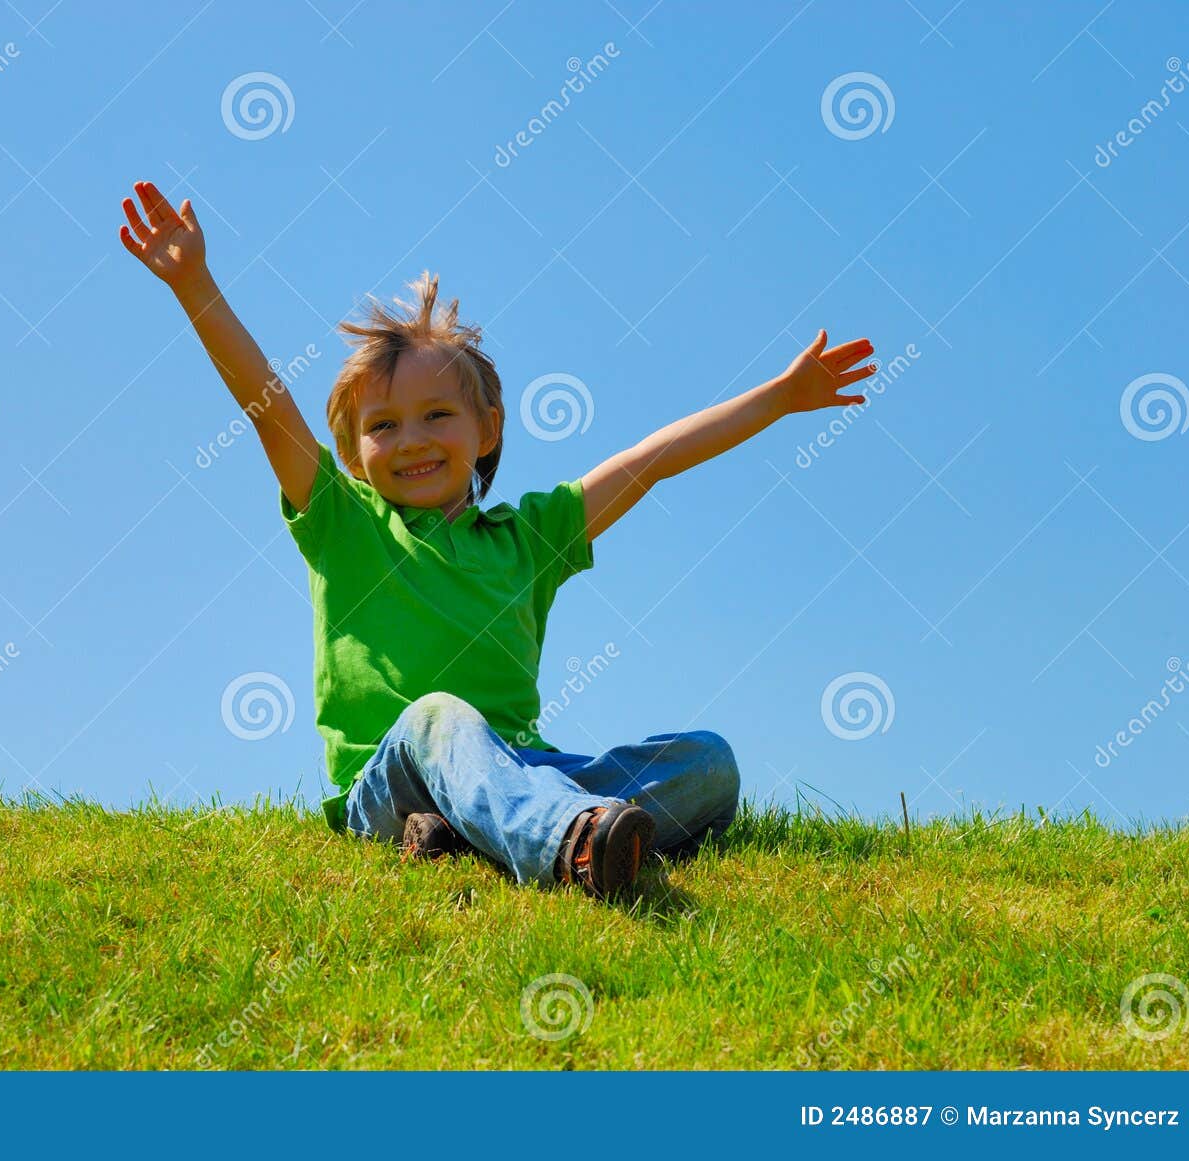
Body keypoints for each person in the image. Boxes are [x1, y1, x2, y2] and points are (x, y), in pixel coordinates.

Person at [119, 180, 875, 900]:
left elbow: (651, 461)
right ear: (352, 455)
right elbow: (267, 405)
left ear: (488, 430)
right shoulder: (342, 521)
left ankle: (480, 831)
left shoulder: (531, 537)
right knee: (438, 714)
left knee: (708, 762)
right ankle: (573, 847)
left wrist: (779, 397)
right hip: (391, 782)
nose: (411, 439)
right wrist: (195, 284)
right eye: (383, 426)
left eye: (437, 415)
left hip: (525, 766)